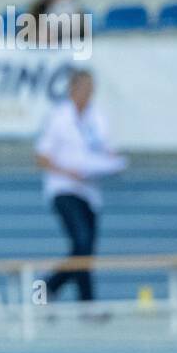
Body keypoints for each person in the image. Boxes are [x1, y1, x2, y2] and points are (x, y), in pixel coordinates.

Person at [35, 70, 127, 304]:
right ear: (73, 89)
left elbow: (105, 150)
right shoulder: (58, 117)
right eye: (85, 88)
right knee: (82, 243)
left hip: (90, 192)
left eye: (91, 89)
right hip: (64, 189)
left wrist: (113, 161)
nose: (89, 94)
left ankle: (54, 290)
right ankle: (78, 299)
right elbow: (42, 158)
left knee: (85, 250)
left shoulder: (98, 118)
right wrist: (70, 173)